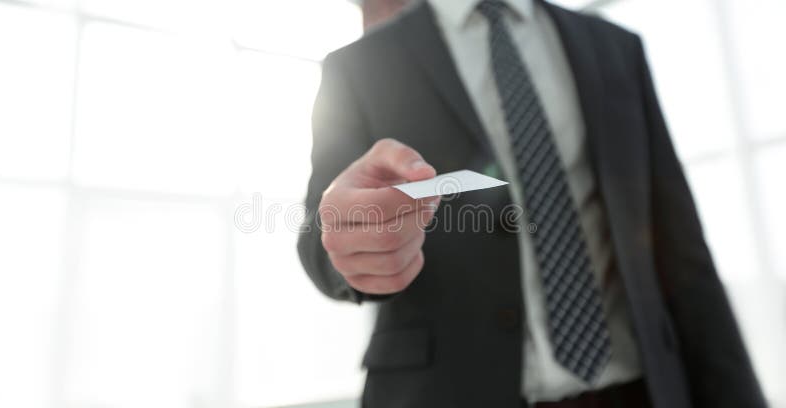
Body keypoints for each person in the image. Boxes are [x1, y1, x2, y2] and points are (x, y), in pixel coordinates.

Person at [297, 0, 765, 407]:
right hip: (448, 392)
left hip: (639, 390)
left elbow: (683, 253)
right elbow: (322, 235)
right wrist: (353, 244)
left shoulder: (615, 48)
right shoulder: (357, 66)